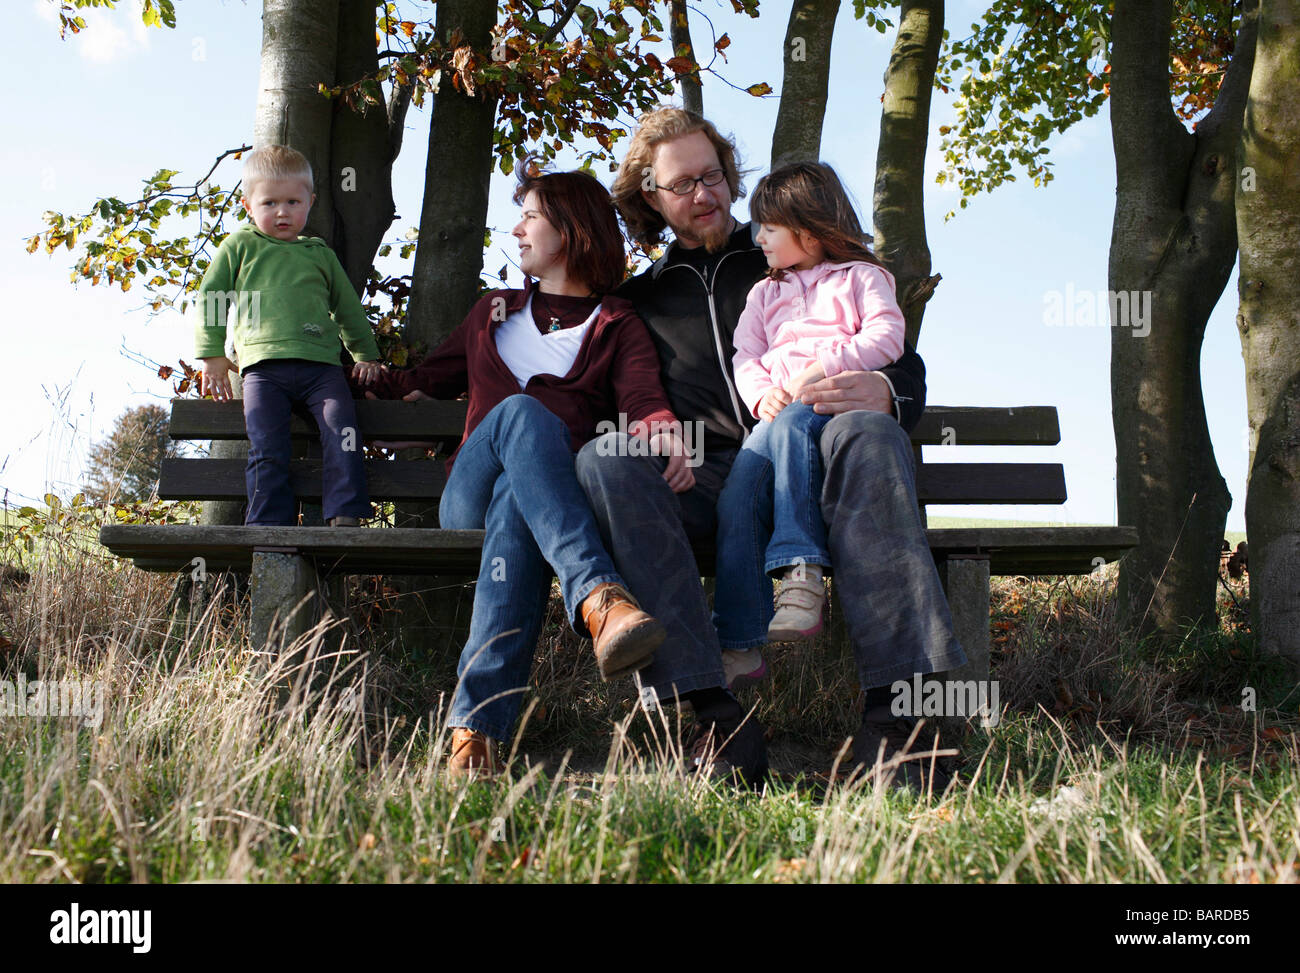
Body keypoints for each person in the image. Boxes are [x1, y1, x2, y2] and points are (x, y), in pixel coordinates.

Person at [575, 108, 966, 790]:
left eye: (714, 174)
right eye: (683, 184)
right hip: (707, 480)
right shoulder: (637, 302)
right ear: (649, 198)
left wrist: (887, 392)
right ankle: (709, 716)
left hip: (824, 460)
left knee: (871, 432)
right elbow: (612, 398)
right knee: (603, 460)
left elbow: (901, 357)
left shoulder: (791, 251)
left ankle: (900, 725)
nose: (706, 193)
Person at [357, 167, 695, 778]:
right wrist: (355, 375)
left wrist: (663, 426)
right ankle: (596, 595)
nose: (517, 229)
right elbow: (424, 383)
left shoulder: (617, 324)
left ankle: (474, 734)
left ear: (569, 227)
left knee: (520, 496)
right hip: (467, 501)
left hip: (538, 512)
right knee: (521, 414)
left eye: (531, 216)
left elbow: (643, 397)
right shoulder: (494, 311)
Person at [722, 161, 904, 643]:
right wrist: (763, 394)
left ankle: (801, 573)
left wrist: (822, 368)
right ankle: (740, 641)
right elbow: (747, 355)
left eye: (770, 227)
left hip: (834, 408)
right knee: (738, 497)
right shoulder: (764, 292)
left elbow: (887, 338)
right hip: (776, 419)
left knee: (791, 424)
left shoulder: (861, 277)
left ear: (807, 230)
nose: (758, 236)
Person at [195, 144, 381, 527]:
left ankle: (345, 513)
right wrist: (212, 353)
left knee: (343, 433)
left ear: (310, 202)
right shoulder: (240, 246)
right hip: (263, 371)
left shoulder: (320, 254)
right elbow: (213, 295)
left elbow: (347, 309)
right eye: (270, 203)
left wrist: (365, 354)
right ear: (249, 206)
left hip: (322, 371)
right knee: (268, 446)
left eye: (293, 202)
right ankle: (268, 524)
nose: (282, 211)